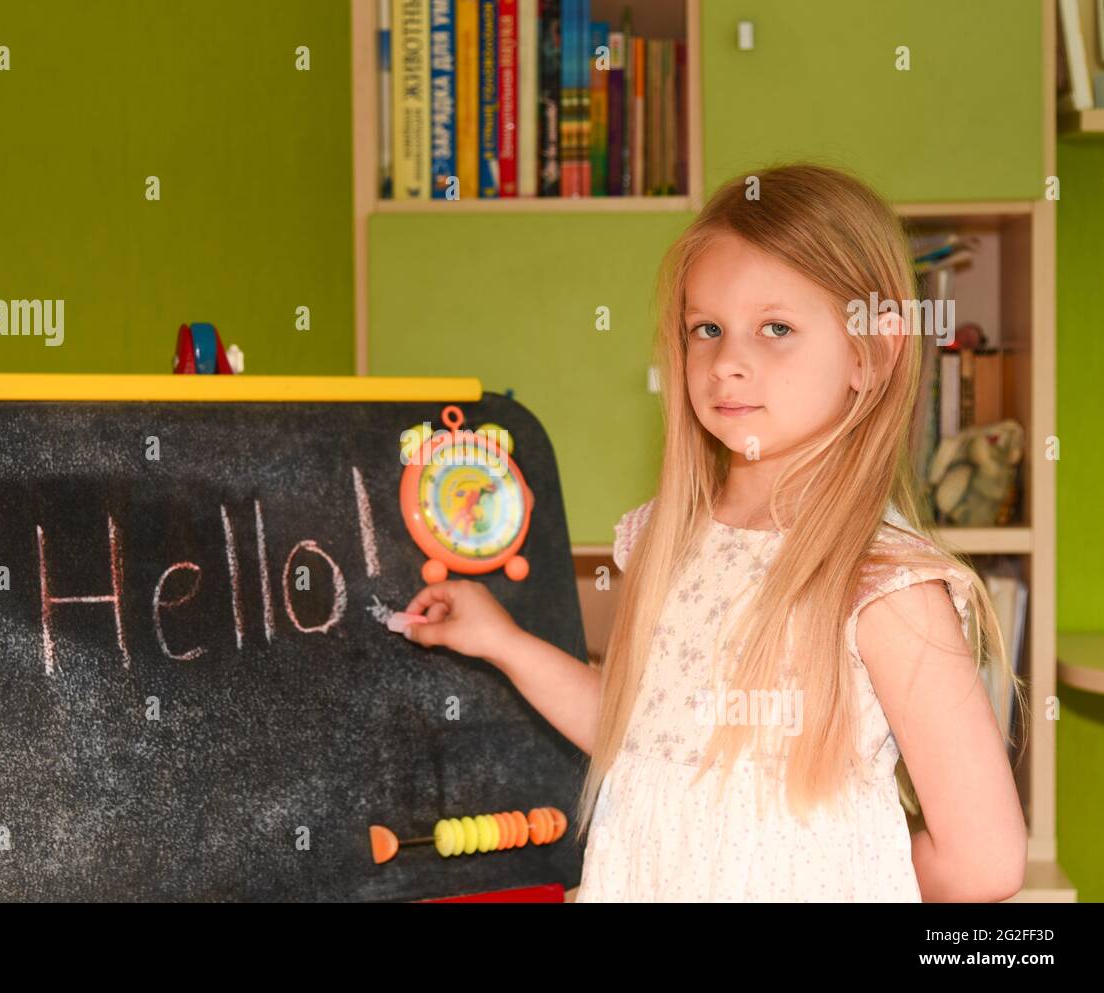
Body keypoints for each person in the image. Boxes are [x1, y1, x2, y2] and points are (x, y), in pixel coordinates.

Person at [398, 163, 1028, 902]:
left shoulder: (883, 581)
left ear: (871, 354)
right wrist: (503, 641)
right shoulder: (665, 539)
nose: (729, 361)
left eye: (777, 328)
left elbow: (984, 858)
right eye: (708, 329)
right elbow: (634, 734)